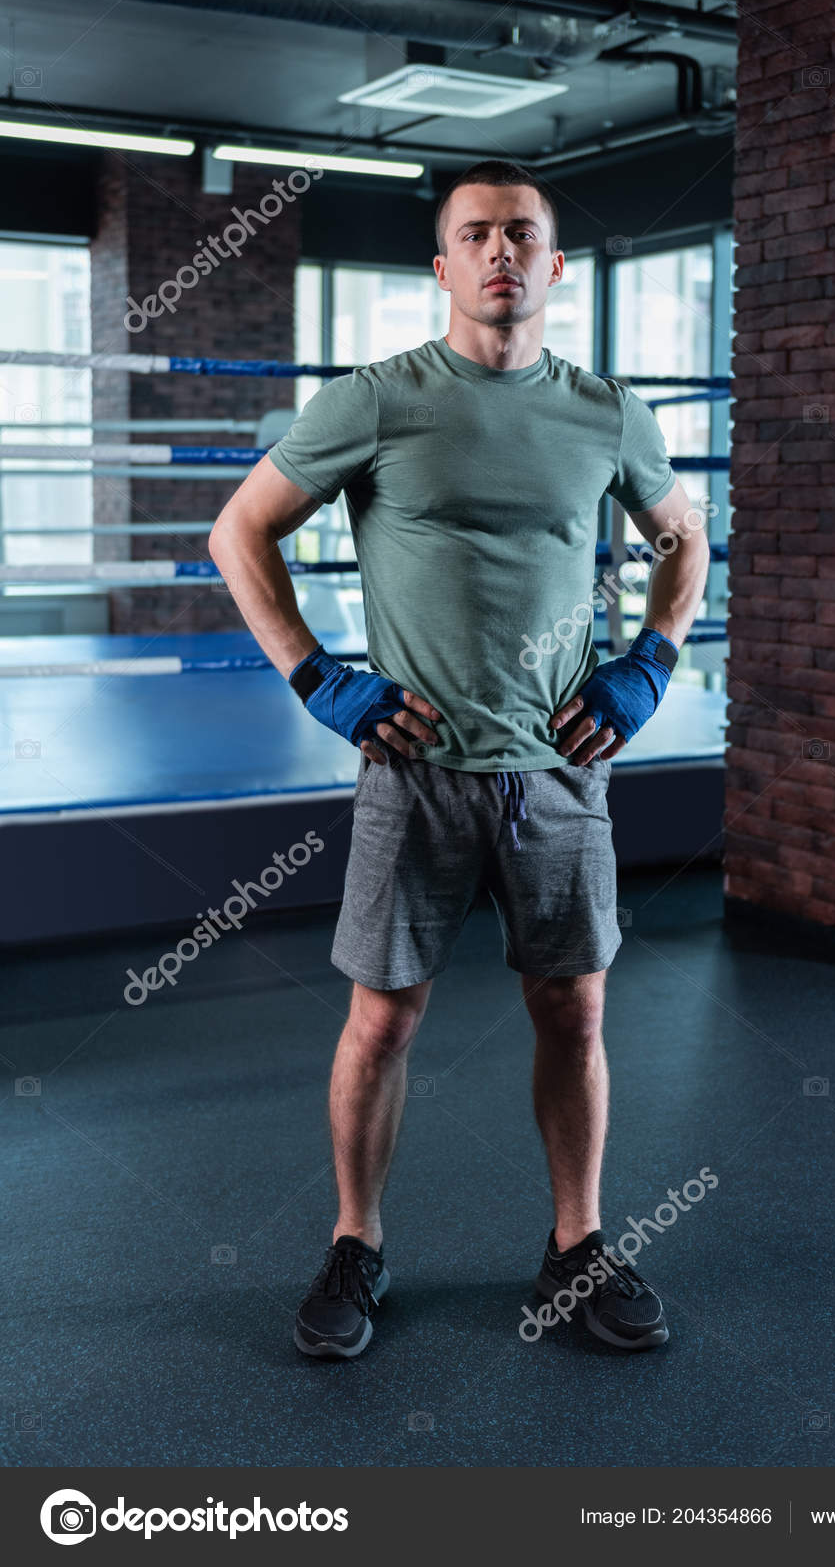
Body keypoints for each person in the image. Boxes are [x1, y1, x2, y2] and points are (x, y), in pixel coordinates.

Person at [209, 158, 710, 1359]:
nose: (502, 252)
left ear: (550, 265)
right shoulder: (376, 399)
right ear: (442, 265)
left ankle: (577, 1242)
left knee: (573, 1009)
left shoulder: (607, 410)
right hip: (414, 767)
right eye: (477, 234)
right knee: (382, 1020)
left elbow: (685, 535)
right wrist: (317, 674)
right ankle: (357, 1241)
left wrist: (652, 658)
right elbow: (240, 527)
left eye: (523, 234)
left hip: (559, 767)